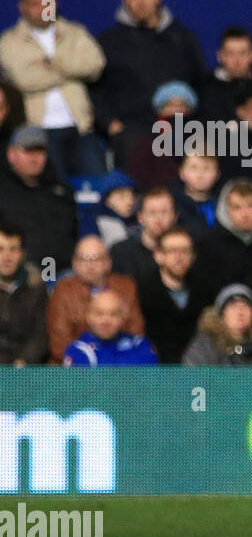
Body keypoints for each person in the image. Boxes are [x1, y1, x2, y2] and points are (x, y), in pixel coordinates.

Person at [91, 0, 205, 162]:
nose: (141, 2)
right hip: (131, 132)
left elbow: (200, 83)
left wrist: (188, 109)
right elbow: (95, 91)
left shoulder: (182, 38)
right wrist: (110, 124)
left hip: (179, 128)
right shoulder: (108, 42)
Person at [0, 0, 106, 178]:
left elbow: (95, 64)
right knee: (54, 188)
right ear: (22, 7)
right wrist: (73, 73)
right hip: (38, 131)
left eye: (48, 2)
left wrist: (50, 64)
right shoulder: (9, 41)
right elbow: (24, 79)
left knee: (98, 184)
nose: (43, 8)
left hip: (80, 127)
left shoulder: (74, 33)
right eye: (35, 3)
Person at [46, 234, 145, 363]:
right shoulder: (63, 290)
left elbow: (136, 332)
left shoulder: (126, 287)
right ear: (74, 264)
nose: (90, 265)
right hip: (77, 366)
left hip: (121, 363)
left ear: (108, 262)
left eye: (96, 259)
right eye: (83, 259)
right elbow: (59, 344)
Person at [0, 125, 77, 271]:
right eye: (28, 151)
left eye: (40, 151)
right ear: (11, 154)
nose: (34, 158)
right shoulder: (3, 193)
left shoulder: (61, 191)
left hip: (66, 272)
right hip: (22, 275)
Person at [136, 225, 217, 363]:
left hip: (198, 369)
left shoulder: (205, 289)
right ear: (158, 256)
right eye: (172, 251)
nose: (179, 257)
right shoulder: (142, 290)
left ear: (192, 256)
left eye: (185, 251)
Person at [62, 288, 158, 366]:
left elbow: (151, 386)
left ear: (123, 318)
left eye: (113, 314)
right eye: (99, 314)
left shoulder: (140, 345)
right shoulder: (79, 350)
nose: (105, 321)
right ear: (88, 317)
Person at [181, 283, 252, 366]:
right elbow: (191, 376)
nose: (240, 312)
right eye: (233, 307)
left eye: (245, 306)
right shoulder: (205, 346)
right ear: (222, 313)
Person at [0, 221, 49, 365]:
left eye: (13, 249)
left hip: (24, 371)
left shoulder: (37, 289)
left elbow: (41, 335)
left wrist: (25, 360)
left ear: (23, 254)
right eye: (0, 249)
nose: (7, 257)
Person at [198, 27, 252, 124]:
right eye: (231, 54)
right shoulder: (203, 90)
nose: (237, 60)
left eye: (242, 53)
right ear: (220, 56)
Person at [169, 151, 220, 235]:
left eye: (206, 168)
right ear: (181, 173)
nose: (200, 175)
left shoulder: (225, 203)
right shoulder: (171, 204)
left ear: (217, 174)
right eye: (193, 168)